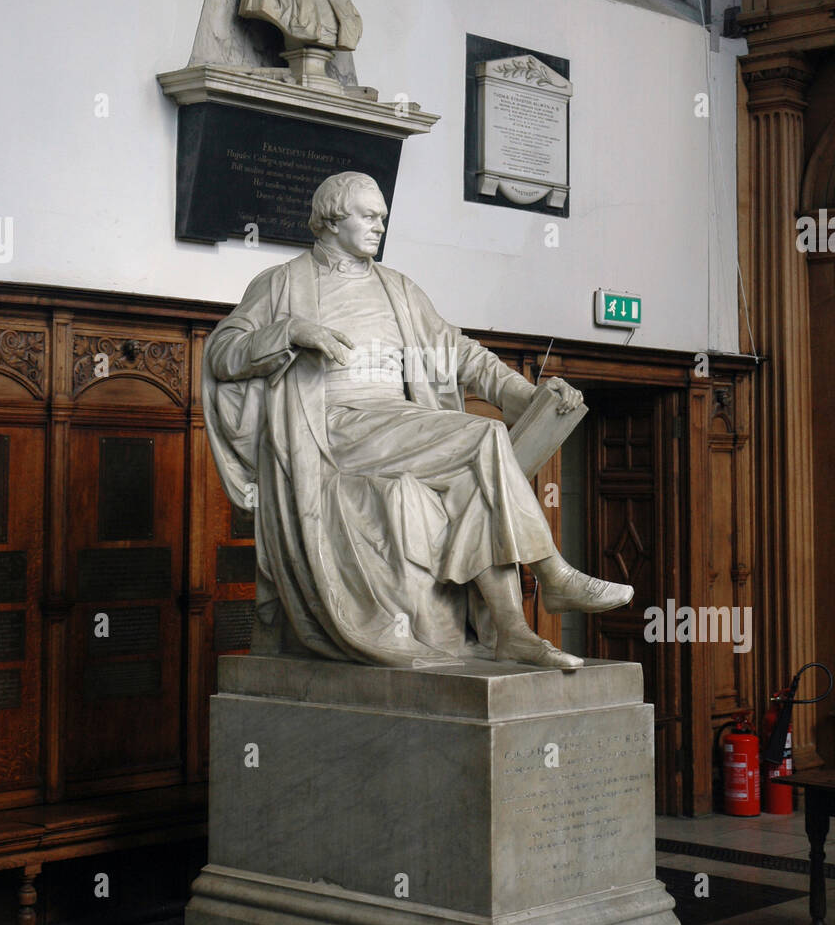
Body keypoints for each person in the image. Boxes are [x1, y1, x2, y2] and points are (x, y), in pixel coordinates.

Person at [203, 172, 633, 670]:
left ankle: (512, 630)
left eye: (383, 217)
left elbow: (460, 355)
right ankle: (552, 575)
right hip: (331, 426)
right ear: (333, 218)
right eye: (369, 216)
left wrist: (528, 395)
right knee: (484, 437)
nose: (380, 226)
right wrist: (290, 331)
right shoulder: (283, 284)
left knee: (477, 473)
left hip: (396, 419)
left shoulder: (397, 288)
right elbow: (224, 354)